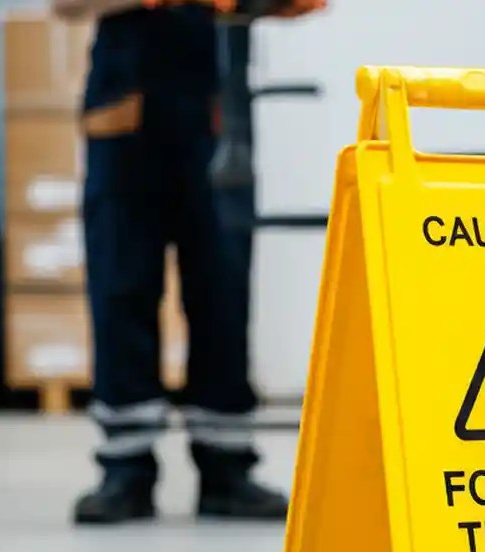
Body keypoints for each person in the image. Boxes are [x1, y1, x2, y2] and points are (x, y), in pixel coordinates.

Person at [51, 0, 323, 524]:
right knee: (120, 283)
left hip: (216, 108)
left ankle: (226, 467)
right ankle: (125, 468)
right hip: (126, 108)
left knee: (222, 286)